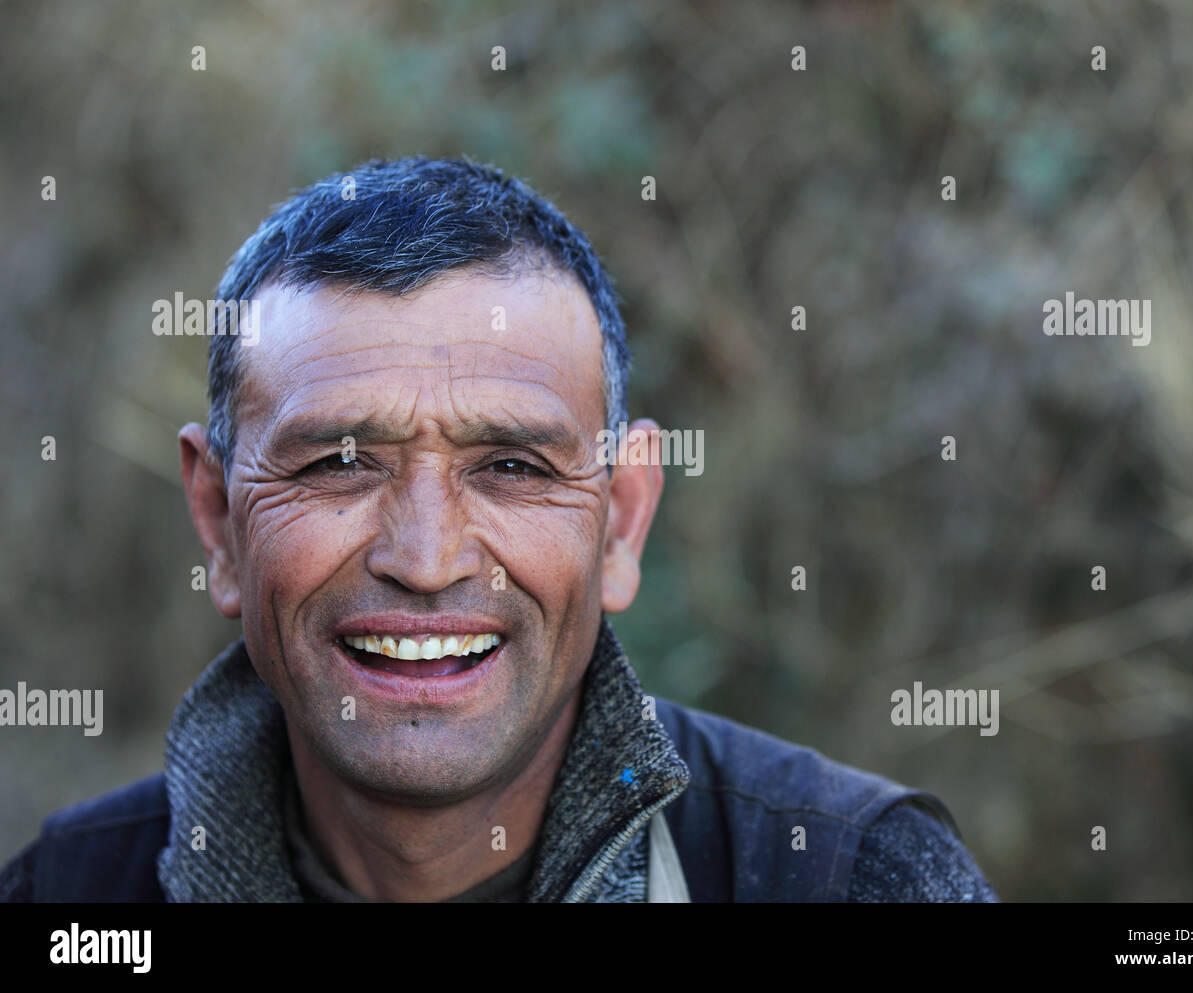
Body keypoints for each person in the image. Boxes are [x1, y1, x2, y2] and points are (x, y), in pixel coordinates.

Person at [0, 157, 996, 902]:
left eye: (511, 468)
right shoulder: (69, 896)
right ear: (218, 521)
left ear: (622, 523)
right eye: (338, 465)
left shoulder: (848, 878)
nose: (426, 560)